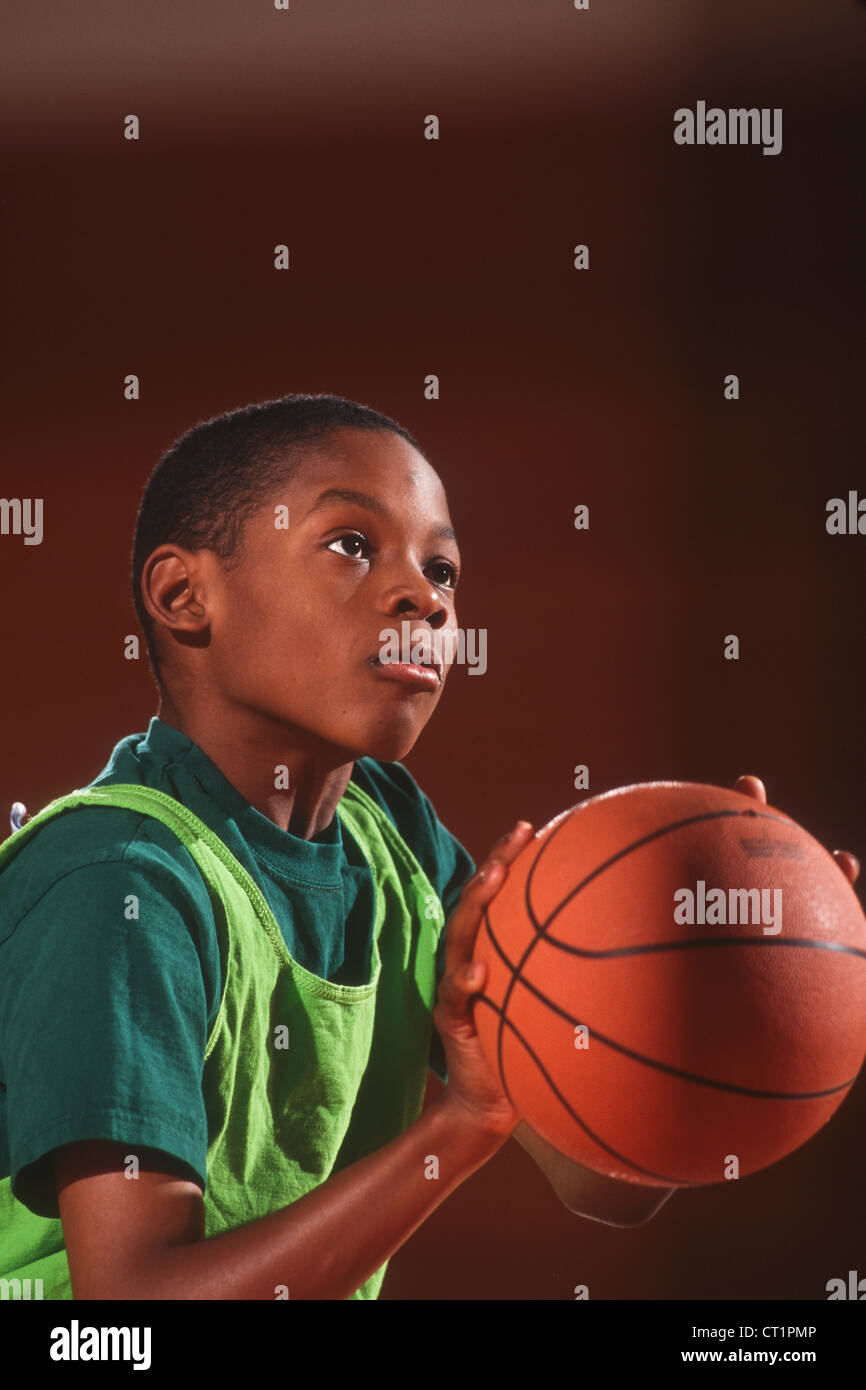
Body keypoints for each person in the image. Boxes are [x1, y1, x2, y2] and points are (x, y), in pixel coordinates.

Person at [0, 393, 858, 1300]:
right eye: (351, 545)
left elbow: (597, 1177)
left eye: (442, 568)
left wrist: (738, 977)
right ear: (184, 596)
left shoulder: (392, 834)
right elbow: (129, 1315)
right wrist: (461, 1123)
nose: (425, 596)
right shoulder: (119, 885)